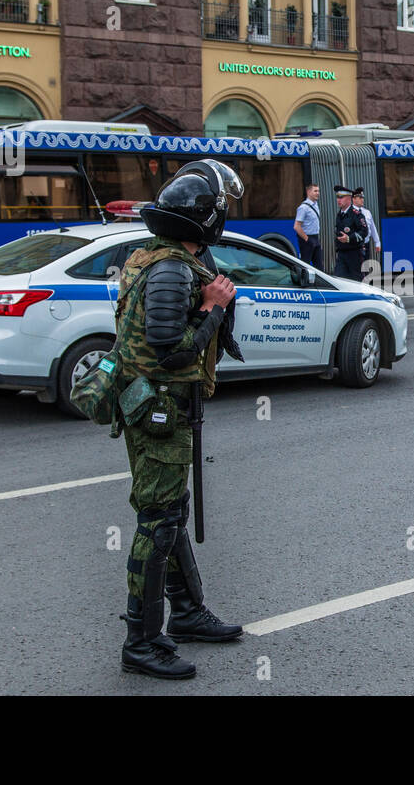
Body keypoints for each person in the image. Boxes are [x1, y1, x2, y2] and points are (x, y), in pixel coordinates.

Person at [114, 161, 245, 680]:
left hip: (168, 409)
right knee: (158, 522)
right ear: (204, 218)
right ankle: (140, 642)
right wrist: (214, 309)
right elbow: (169, 352)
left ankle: (187, 615)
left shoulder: (171, 259)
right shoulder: (169, 268)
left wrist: (209, 300)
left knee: (171, 515)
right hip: (159, 412)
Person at [332, 184, 368, 280]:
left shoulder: (356, 214)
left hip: (354, 254)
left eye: (341, 197)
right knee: (338, 280)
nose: (338, 200)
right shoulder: (339, 214)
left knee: (357, 281)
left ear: (349, 198)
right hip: (342, 254)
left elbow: (364, 231)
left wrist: (349, 238)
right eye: (337, 197)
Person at [293, 183, 322, 268]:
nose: (318, 193)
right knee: (305, 266)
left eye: (318, 191)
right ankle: (303, 281)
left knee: (319, 267)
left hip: (315, 238)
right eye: (315, 191)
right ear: (309, 192)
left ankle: (318, 281)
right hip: (307, 239)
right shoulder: (303, 208)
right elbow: (296, 226)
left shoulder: (315, 205)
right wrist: (307, 239)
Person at [351, 187, 380, 266]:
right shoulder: (350, 212)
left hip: (366, 244)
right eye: (360, 198)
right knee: (357, 268)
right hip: (355, 246)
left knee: (366, 267)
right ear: (353, 199)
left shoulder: (367, 212)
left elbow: (373, 228)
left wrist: (377, 242)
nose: (362, 200)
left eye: (362, 198)